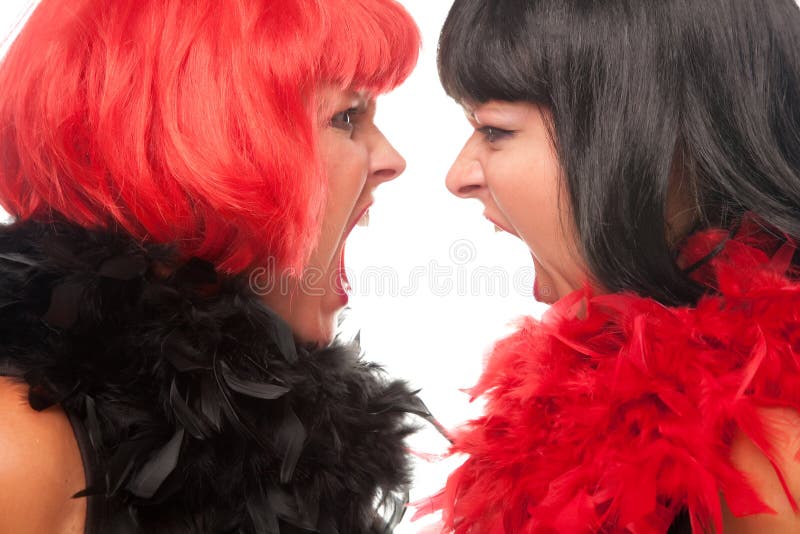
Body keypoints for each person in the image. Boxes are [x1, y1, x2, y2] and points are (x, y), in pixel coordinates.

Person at [0, 0, 424, 532]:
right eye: (346, 116)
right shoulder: (21, 444)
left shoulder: (284, 439)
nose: (392, 159)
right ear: (205, 147)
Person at [424, 0, 800, 532]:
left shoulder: (765, 444)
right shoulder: (595, 385)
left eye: (495, 130)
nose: (458, 176)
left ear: (654, 138)